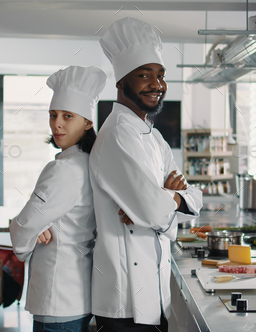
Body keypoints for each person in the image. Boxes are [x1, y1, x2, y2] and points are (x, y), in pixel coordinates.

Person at [90, 17, 203, 331]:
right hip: (122, 301)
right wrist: (159, 205)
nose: (157, 85)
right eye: (144, 75)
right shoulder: (115, 136)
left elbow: (195, 197)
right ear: (120, 82)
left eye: (161, 75)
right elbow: (154, 212)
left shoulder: (155, 138)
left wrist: (164, 197)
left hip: (154, 294)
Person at [9, 65, 107, 332]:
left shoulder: (64, 170)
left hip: (57, 298)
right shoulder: (89, 163)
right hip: (77, 294)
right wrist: (36, 226)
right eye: (53, 115)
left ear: (87, 122)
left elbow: (21, 232)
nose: (57, 123)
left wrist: (26, 229)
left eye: (67, 116)